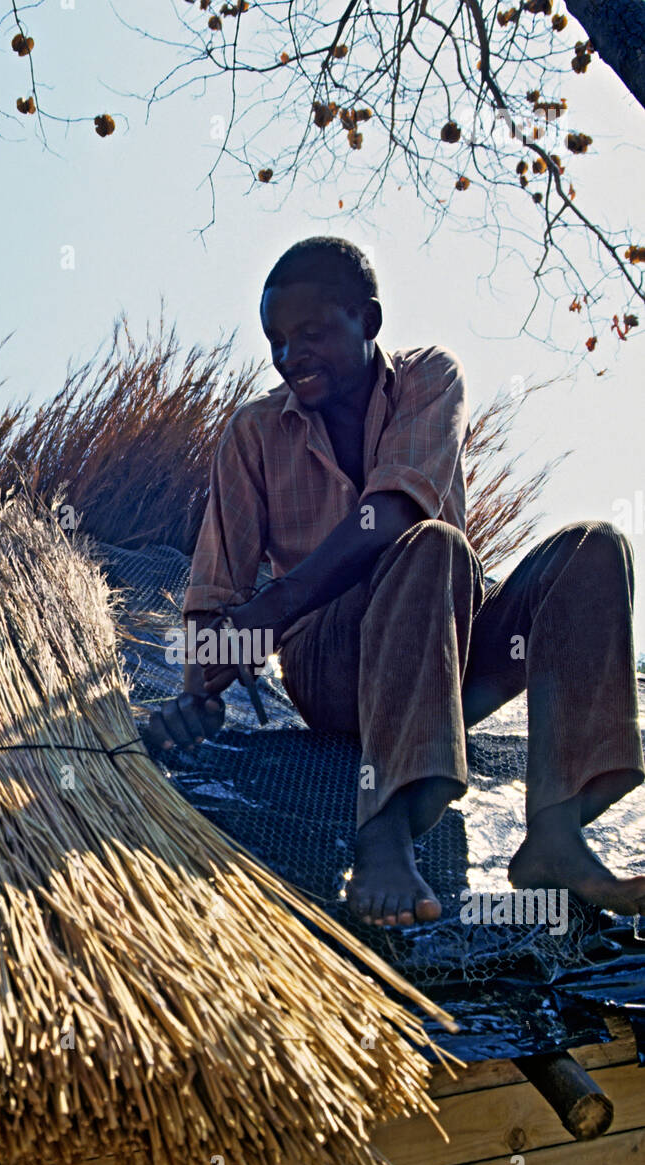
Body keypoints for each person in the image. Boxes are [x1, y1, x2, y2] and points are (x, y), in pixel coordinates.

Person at [146, 237, 645, 928]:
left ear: (369, 321)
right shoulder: (254, 434)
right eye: (276, 341)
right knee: (431, 547)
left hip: (448, 663)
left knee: (594, 549)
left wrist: (273, 605)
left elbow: (395, 511)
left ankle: (557, 833)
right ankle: (384, 827)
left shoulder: (430, 379)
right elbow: (214, 596)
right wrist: (197, 692)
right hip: (335, 670)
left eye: (312, 334)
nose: (291, 357)